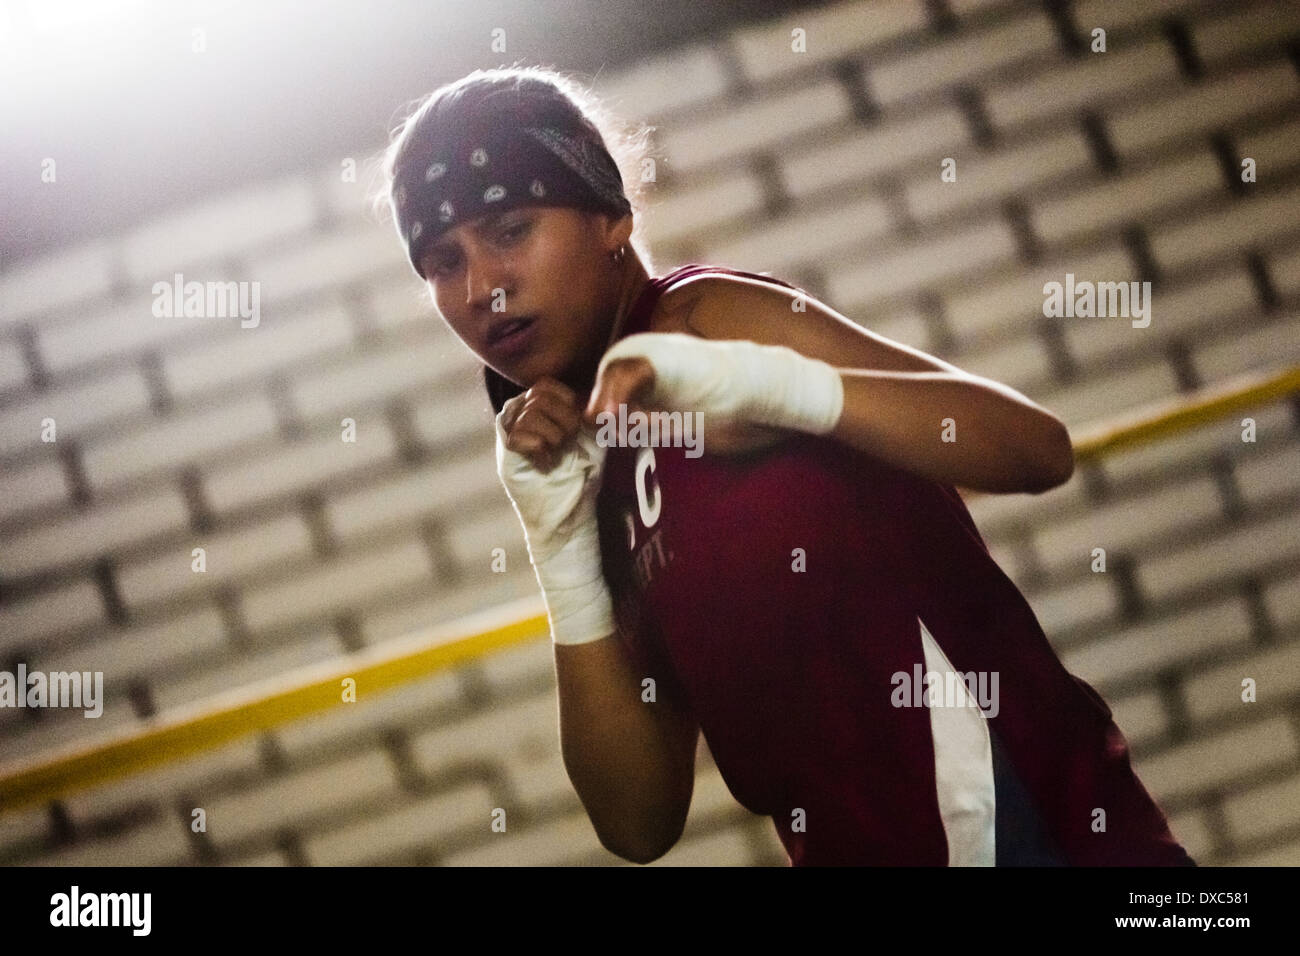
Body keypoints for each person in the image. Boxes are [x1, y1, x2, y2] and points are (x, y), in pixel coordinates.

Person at [377, 65, 1195, 866]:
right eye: (443, 262)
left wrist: (780, 390)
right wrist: (557, 553)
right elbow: (638, 820)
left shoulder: (706, 318)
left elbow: (1034, 449)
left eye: (511, 229)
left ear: (610, 219)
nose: (483, 284)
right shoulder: (585, 460)